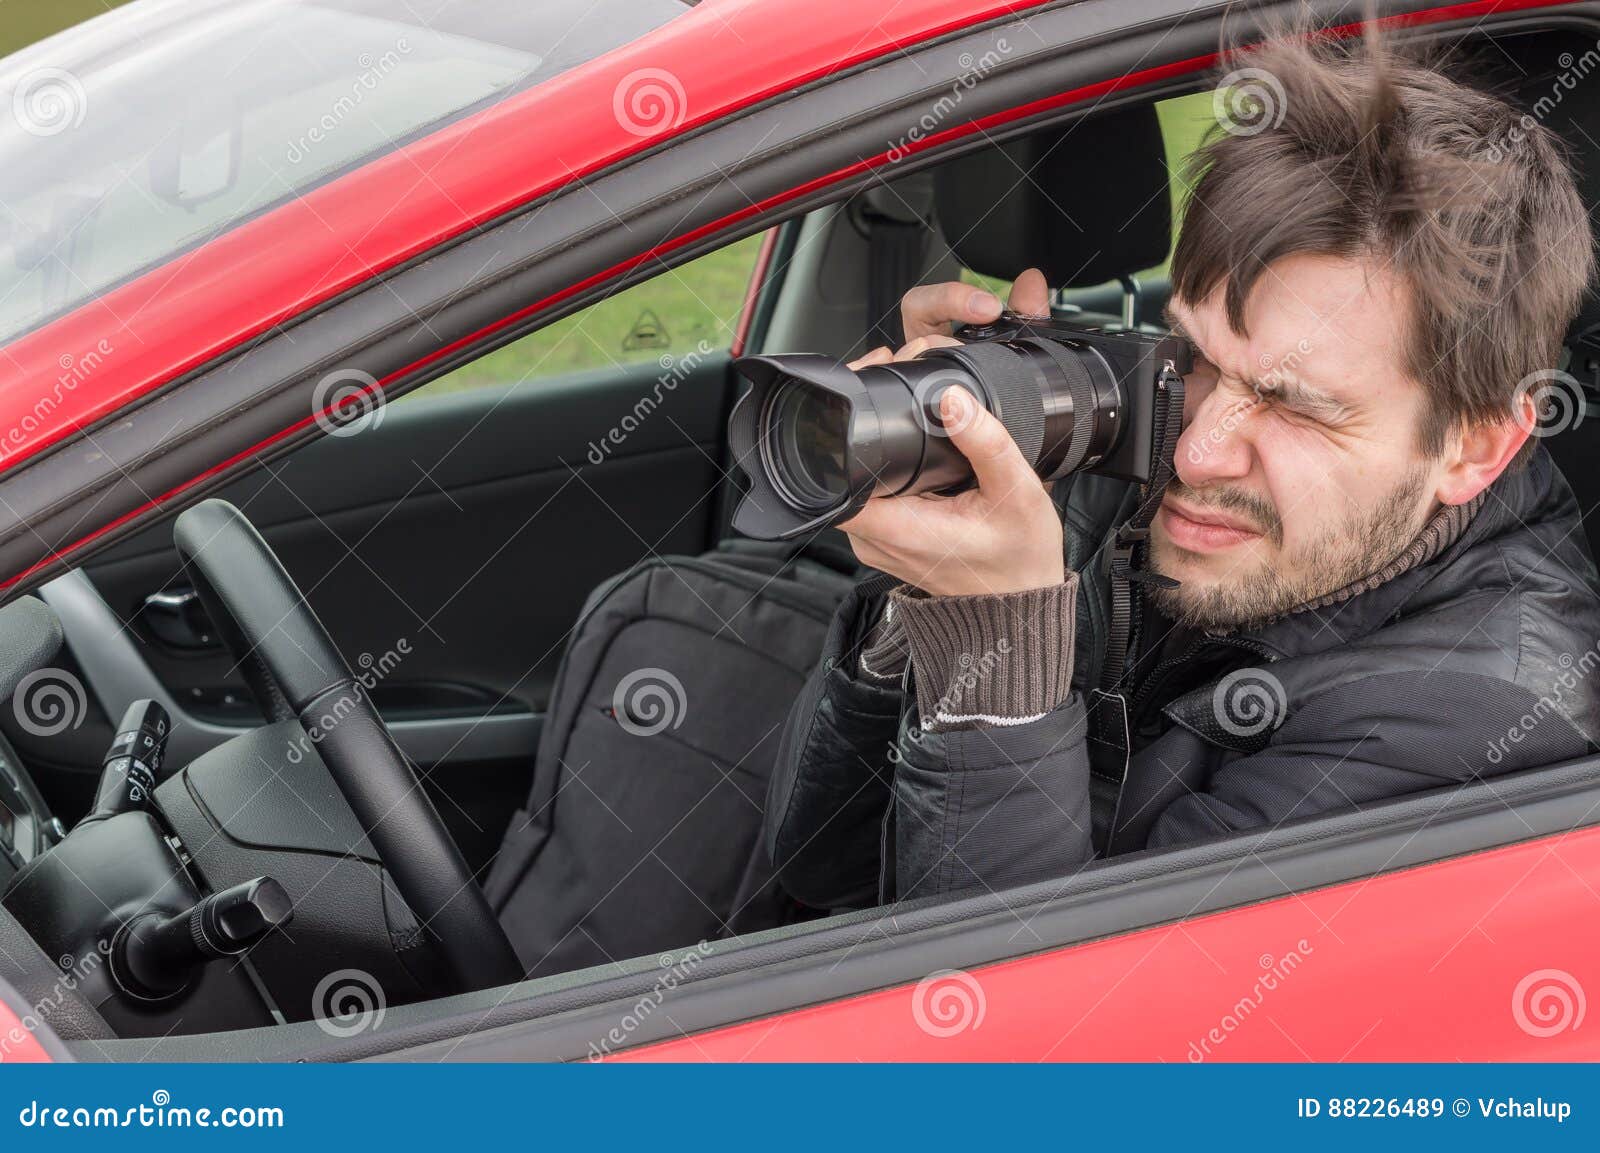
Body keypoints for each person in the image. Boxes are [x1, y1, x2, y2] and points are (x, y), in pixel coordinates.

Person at [762, 33, 1600, 909]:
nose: (1196, 452)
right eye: (1193, 360)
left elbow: (1022, 1025)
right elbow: (825, 879)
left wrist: (998, 642)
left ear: (1472, 448)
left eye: (1295, 405)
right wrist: (931, 559)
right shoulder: (1108, 473)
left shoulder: (1475, 722)